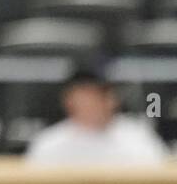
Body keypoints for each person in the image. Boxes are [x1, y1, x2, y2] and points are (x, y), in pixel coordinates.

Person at [26, 70, 169, 167]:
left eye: (103, 94)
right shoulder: (49, 143)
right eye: (88, 96)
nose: (98, 102)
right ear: (69, 101)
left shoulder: (138, 137)